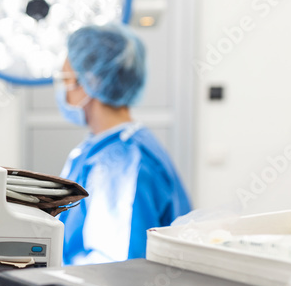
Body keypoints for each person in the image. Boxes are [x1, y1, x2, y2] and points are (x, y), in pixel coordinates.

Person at [54, 23, 191, 265]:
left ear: (91, 81)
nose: (63, 91)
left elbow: (113, 271)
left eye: (67, 79)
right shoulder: (106, 147)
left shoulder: (121, 161)